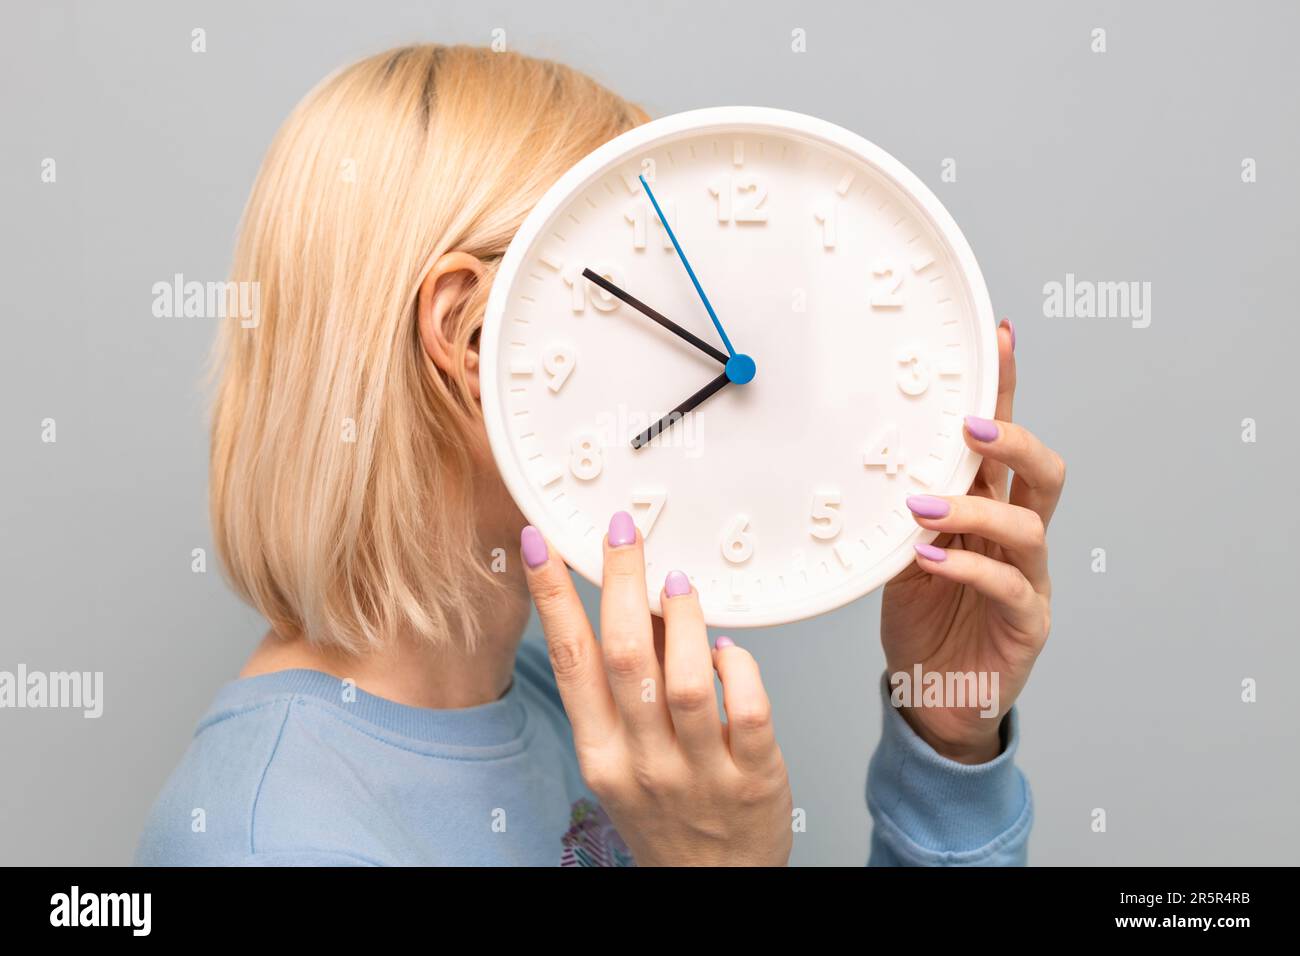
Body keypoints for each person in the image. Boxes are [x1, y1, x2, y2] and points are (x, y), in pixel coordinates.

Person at [134, 44, 1065, 867]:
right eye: (631, 295)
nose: (726, 361)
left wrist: (947, 735)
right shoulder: (269, 841)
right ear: (466, 339)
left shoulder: (549, 703)